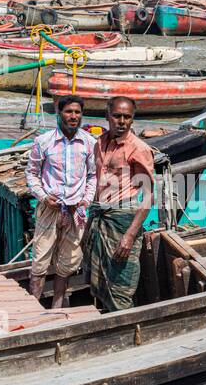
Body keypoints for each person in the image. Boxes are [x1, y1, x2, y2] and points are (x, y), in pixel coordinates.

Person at [24, 95, 96, 309]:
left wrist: (86, 200)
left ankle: (56, 308)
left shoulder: (89, 142)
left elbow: (92, 176)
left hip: (76, 211)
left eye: (77, 112)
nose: (73, 116)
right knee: (40, 261)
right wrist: (44, 197)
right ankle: (32, 308)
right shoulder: (43, 141)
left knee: (67, 263)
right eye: (69, 112)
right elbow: (32, 174)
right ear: (59, 113)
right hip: (49, 208)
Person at [85, 96, 155, 311]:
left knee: (122, 283)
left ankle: (126, 328)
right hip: (100, 217)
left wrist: (130, 235)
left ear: (132, 120)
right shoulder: (99, 143)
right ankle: (108, 320)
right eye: (117, 116)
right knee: (99, 280)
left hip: (123, 220)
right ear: (108, 116)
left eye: (127, 117)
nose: (122, 121)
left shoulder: (138, 148)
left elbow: (149, 195)